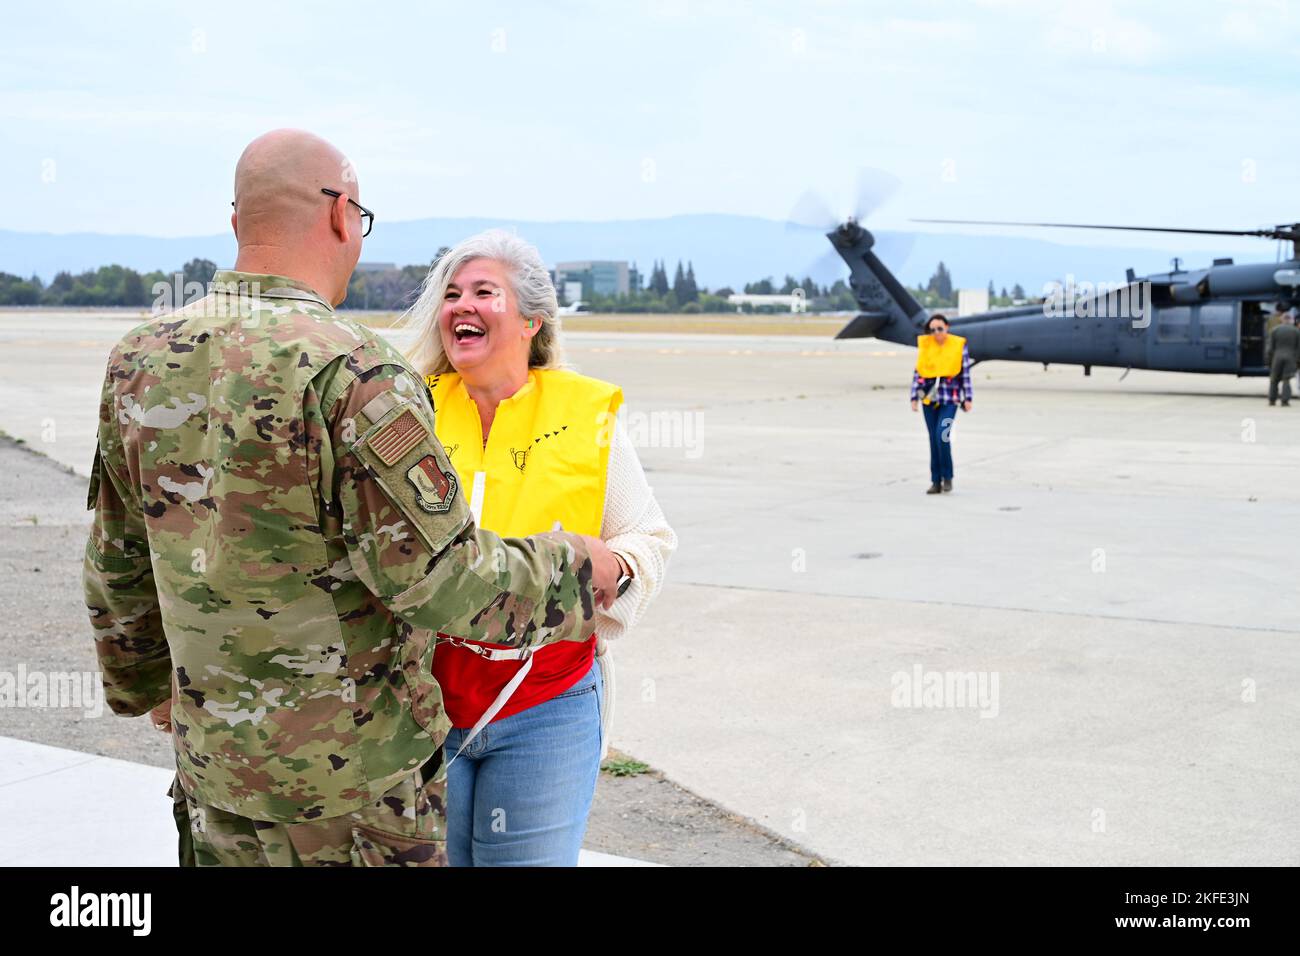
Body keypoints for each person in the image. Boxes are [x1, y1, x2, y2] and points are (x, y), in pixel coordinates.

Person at [82, 130, 622, 867]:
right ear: (342, 217)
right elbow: (439, 579)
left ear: (239, 222)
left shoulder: (139, 359)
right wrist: (576, 569)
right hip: (353, 798)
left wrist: (149, 689)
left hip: (215, 780)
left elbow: (117, 564)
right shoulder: (357, 370)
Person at [402, 229, 677, 866]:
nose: (460, 306)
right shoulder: (407, 408)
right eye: (451, 294)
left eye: (483, 292)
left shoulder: (584, 415)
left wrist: (618, 566)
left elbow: (649, 539)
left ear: (531, 320)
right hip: (418, 707)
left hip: (545, 707)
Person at [909, 313, 972, 494]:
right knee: (933, 440)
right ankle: (935, 481)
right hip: (929, 401)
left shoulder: (958, 346)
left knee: (942, 437)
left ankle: (948, 477)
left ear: (947, 327)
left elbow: (965, 374)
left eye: (939, 329)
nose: (936, 333)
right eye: (932, 330)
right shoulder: (927, 346)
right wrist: (914, 397)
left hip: (949, 400)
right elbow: (918, 373)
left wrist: (968, 398)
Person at [1266, 309, 1298, 406]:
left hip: (1277, 357)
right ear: (1291, 320)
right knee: (1286, 379)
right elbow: (1298, 348)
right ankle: (1285, 401)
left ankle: (1272, 400)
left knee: (1274, 379)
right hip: (1290, 358)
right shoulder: (1296, 331)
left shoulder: (1275, 330)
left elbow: (1270, 348)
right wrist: (1298, 360)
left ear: (1282, 319)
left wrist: (1269, 360)